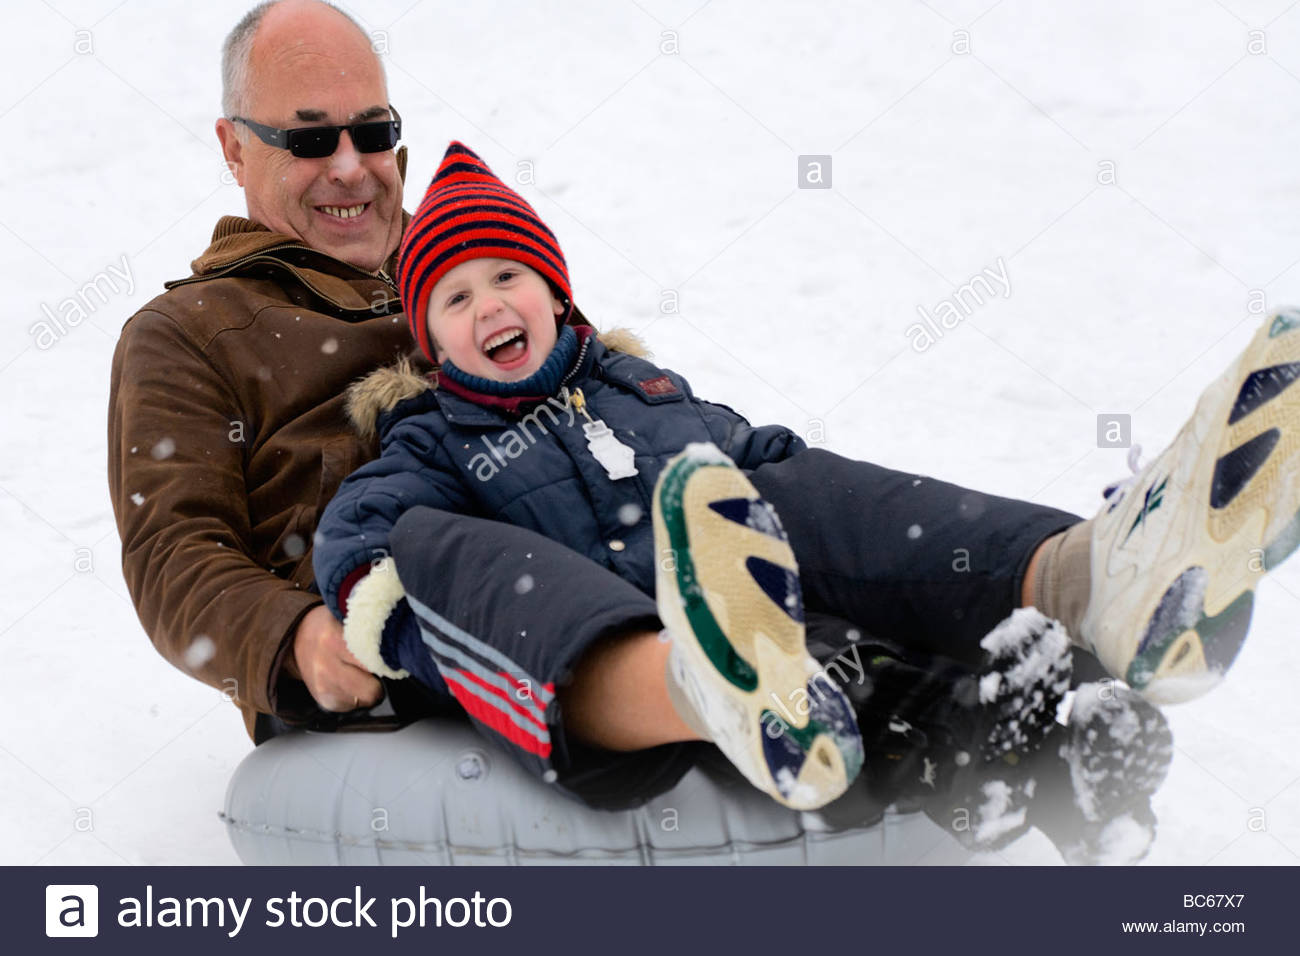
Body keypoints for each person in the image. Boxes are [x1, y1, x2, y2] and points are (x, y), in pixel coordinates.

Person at [315, 141, 1295, 835]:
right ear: (430, 339)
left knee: (808, 507)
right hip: (625, 638)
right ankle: (707, 675)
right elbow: (357, 532)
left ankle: (1084, 584)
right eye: (455, 295)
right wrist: (367, 597)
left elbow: (752, 449)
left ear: (556, 292)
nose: (487, 303)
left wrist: (802, 495)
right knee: (445, 550)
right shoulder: (433, 438)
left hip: (764, 612)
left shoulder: (641, 385)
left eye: (506, 276)